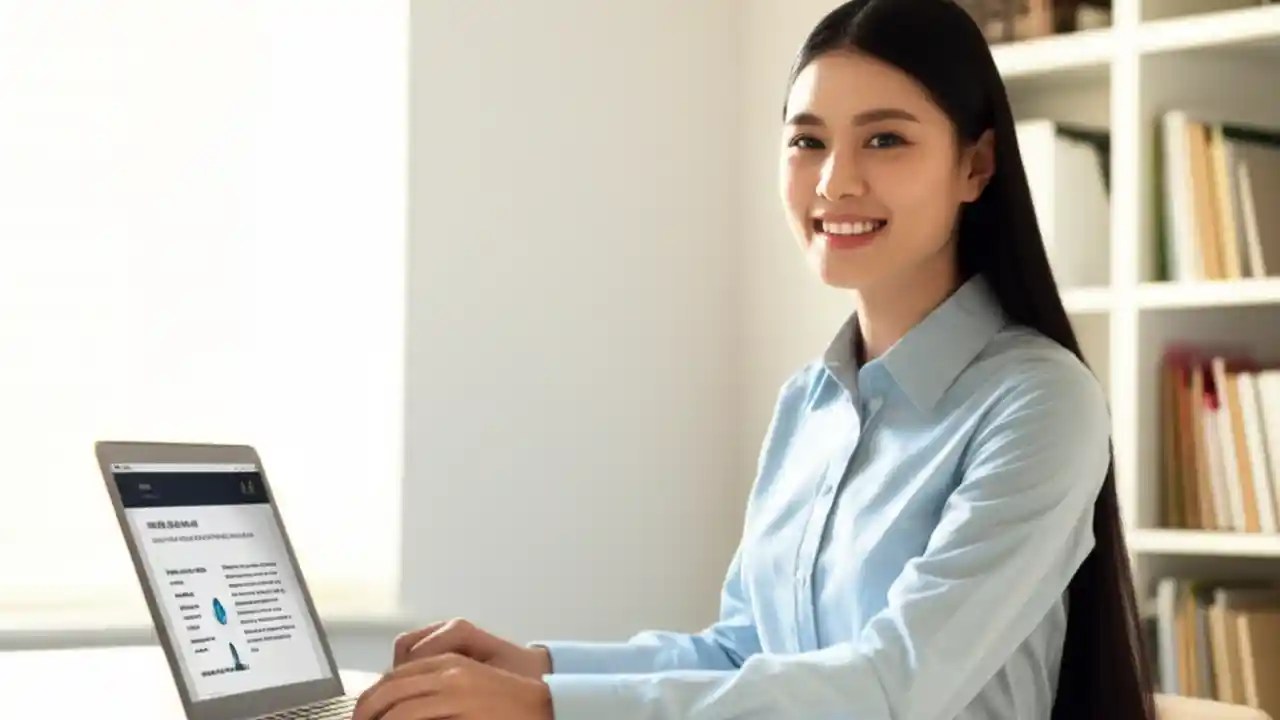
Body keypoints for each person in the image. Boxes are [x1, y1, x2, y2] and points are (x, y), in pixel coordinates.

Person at [352, 0, 1156, 718]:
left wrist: (547, 706)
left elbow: (895, 687)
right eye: (808, 140)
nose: (836, 182)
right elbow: (743, 652)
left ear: (974, 166)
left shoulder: (1040, 404)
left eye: (885, 139)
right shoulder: (809, 402)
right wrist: (540, 666)